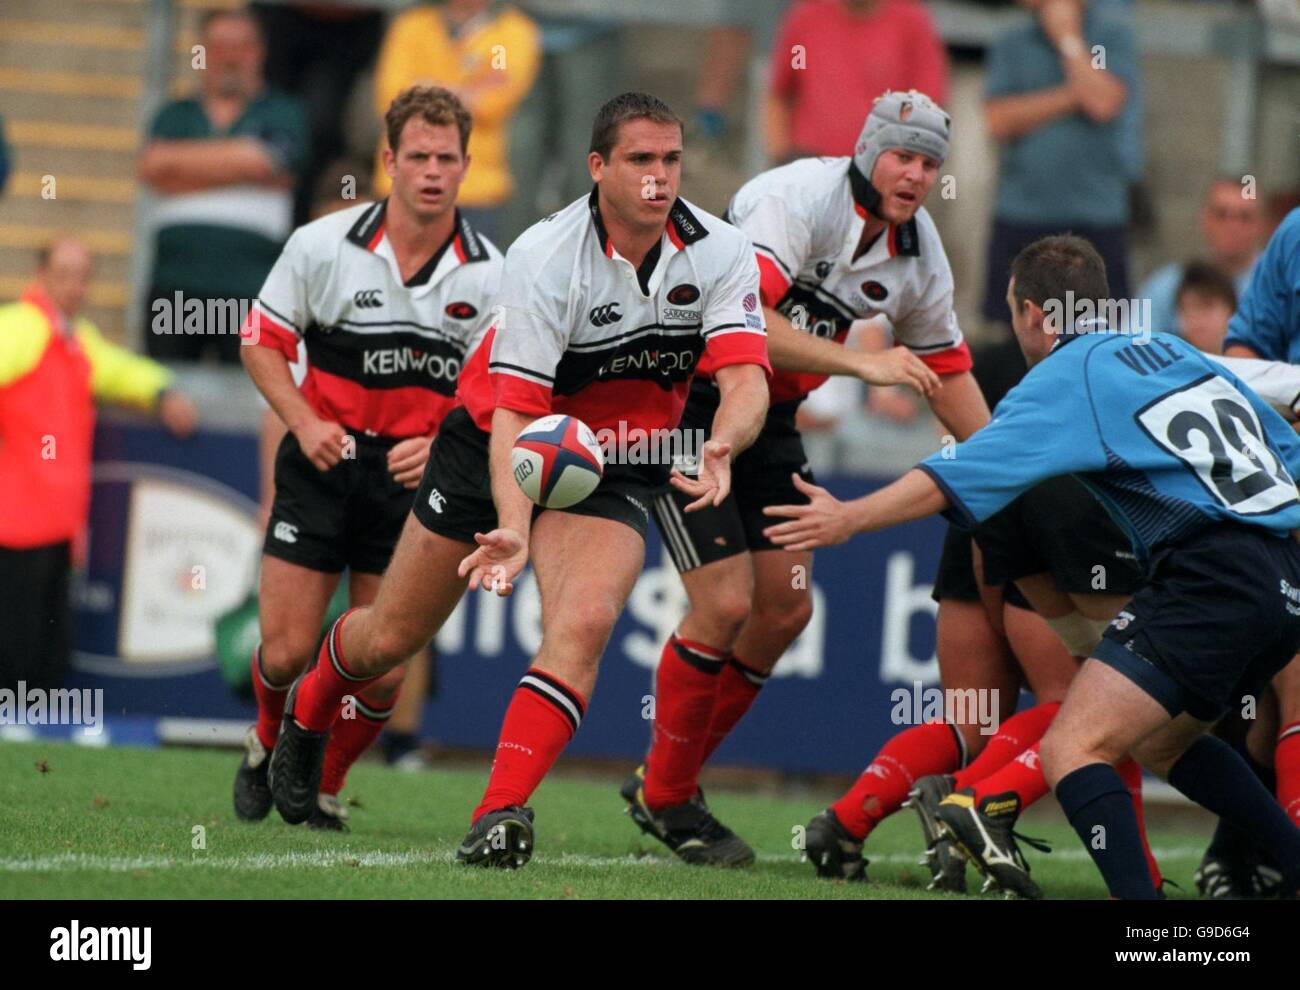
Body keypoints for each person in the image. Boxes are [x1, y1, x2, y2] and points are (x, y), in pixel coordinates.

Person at [265, 92, 771, 869]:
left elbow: (745, 379)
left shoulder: (722, 249)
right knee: (391, 636)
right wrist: (512, 521)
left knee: (588, 620)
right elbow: (517, 415)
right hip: (493, 440)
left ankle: (498, 813)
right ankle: (310, 704)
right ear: (598, 167)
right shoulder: (544, 253)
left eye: (671, 160)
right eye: (640, 160)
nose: (659, 178)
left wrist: (722, 446)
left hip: (617, 462)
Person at [766, 234, 1300, 899]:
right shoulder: (1175, 352)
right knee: (1163, 744)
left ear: (1032, 314)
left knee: (1071, 749)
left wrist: (851, 516)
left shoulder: (1064, 374)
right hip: (1284, 572)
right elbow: (1285, 441)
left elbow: (955, 471)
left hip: (1211, 574)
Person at [626, 91, 994, 867]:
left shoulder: (920, 252)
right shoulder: (793, 197)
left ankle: (666, 781)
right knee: (725, 602)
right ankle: (667, 797)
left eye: (930, 163)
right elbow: (744, 325)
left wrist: (1006, 461)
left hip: (770, 420)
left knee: (786, 608)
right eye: (903, 155)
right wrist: (863, 360)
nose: (917, 175)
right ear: (868, 151)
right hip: (691, 398)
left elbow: (948, 369)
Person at [234, 87, 502, 830]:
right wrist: (302, 417)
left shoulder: (491, 274)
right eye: (417, 156)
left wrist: (446, 434)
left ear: (466, 166)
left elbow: (505, 385)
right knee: (286, 653)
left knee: (383, 669)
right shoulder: (323, 245)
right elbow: (259, 341)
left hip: (412, 483)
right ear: (389, 160)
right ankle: (265, 741)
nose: (432, 171)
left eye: (447, 158)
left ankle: (322, 781)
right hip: (324, 463)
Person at [0, 239, 197, 691]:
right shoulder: (21, 329)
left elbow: (119, 370)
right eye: (64, 274)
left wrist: (161, 391)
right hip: (16, 521)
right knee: (18, 649)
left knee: (42, 651)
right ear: (42, 275)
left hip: (55, 521)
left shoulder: (73, 339)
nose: (74, 286)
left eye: (82, 276)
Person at [138, 7, 309, 365]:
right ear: (201, 51)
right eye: (219, 47)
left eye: (241, 46)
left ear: (259, 52)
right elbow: (152, 165)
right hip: (175, 287)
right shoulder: (174, 113)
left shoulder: (284, 112)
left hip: (252, 290)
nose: (230, 57)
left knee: (251, 397)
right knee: (170, 392)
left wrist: (181, 166)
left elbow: (275, 163)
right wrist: (246, 161)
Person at [980, 0, 1136, 327]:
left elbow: (1103, 103)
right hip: (1021, 214)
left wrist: (1068, 40)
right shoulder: (1011, 40)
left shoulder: (1114, 36)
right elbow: (998, 120)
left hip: (1096, 218)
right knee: (1011, 336)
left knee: (1101, 334)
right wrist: (1073, 94)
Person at [372, 0, 541, 246]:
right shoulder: (411, 26)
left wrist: (425, 88)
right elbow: (389, 98)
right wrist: (467, 92)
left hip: (477, 190)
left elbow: (495, 100)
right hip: (403, 185)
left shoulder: (509, 33)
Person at [766, 0, 948, 162]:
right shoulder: (806, 18)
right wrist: (782, 159)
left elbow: (928, 106)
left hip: (879, 171)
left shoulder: (911, 21)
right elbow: (781, 93)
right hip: (810, 164)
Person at [1137, 178, 1265, 337]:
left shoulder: (1284, 287)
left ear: (1261, 224)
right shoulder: (1166, 285)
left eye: (1244, 217)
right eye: (1222, 214)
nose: (1233, 226)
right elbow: (1130, 347)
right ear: (1204, 219)